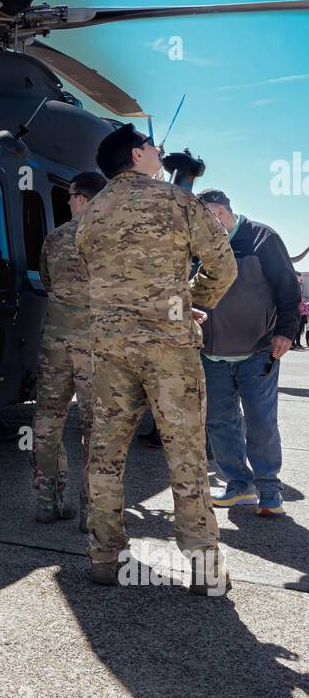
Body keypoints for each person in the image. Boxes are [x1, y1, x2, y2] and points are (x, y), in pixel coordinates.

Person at [76, 125, 237, 596]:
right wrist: (189, 301)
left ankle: (105, 557)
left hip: (109, 348)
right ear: (136, 154)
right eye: (152, 147)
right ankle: (205, 570)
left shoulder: (93, 212)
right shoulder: (177, 202)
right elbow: (223, 264)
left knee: (105, 453)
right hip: (168, 347)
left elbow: (94, 273)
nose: (159, 152)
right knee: (186, 454)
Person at [195, 189, 300, 516]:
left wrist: (286, 331)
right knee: (219, 422)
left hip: (259, 350)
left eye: (208, 218)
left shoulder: (262, 238)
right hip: (212, 354)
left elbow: (288, 287)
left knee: (260, 421)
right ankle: (239, 485)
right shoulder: (200, 245)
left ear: (222, 212)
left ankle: (270, 490)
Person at [33, 170, 107, 528]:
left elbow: (48, 282)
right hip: (96, 347)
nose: (67, 202)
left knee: (48, 421)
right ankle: (92, 511)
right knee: (96, 428)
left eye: (70, 196)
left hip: (56, 344)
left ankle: (47, 502)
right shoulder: (114, 238)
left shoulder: (55, 238)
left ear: (80, 197)